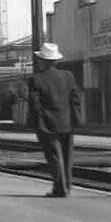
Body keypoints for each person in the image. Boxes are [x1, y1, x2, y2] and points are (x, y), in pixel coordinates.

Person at [28, 43, 84, 198]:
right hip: (67, 124)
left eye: (39, 59)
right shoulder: (68, 76)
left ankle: (60, 188)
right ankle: (67, 186)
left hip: (47, 125)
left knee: (54, 156)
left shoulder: (35, 79)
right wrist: (77, 120)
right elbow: (75, 100)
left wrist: (36, 123)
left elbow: (35, 104)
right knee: (67, 156)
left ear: (43, 61)